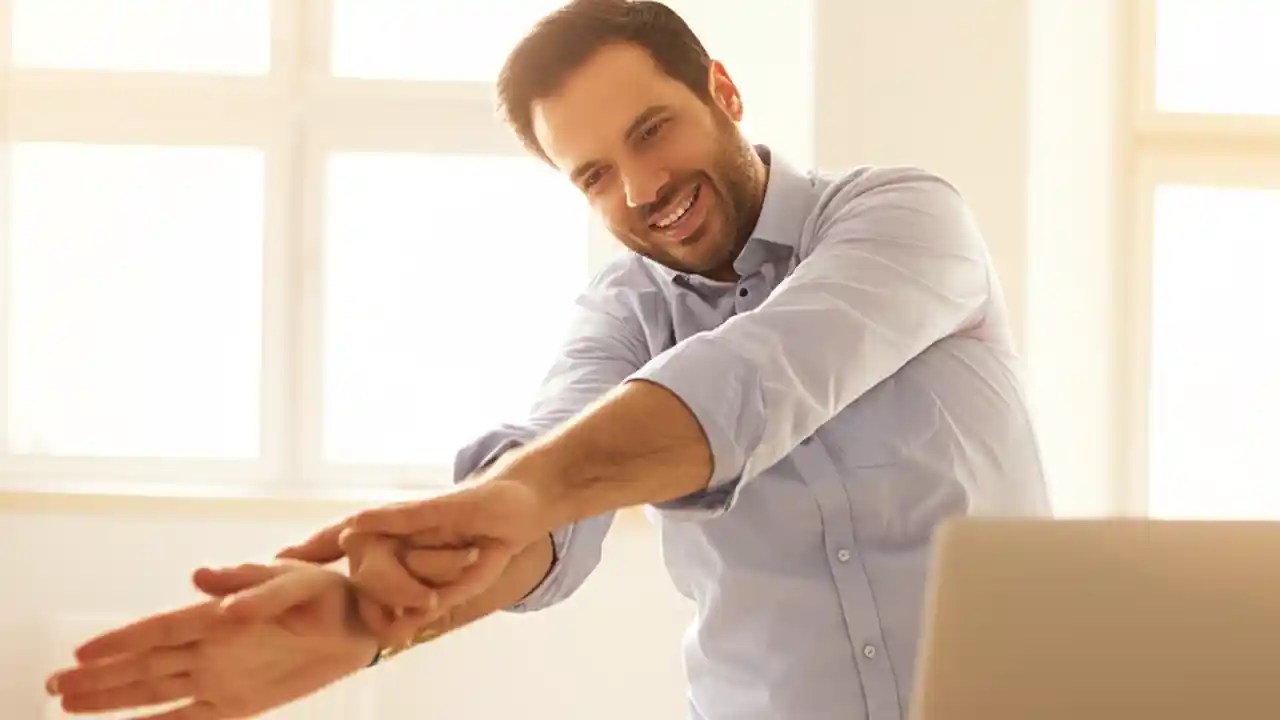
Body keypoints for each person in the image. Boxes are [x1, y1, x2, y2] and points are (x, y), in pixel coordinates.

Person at [45, 1, 1050, 718]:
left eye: (652, 131)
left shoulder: (902, 216)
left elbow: (762, 374)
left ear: (724, 91)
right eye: (595, 175)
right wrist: (377, 617)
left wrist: (523, 496)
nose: (644, 186)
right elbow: (544, 515)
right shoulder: (618, 316)